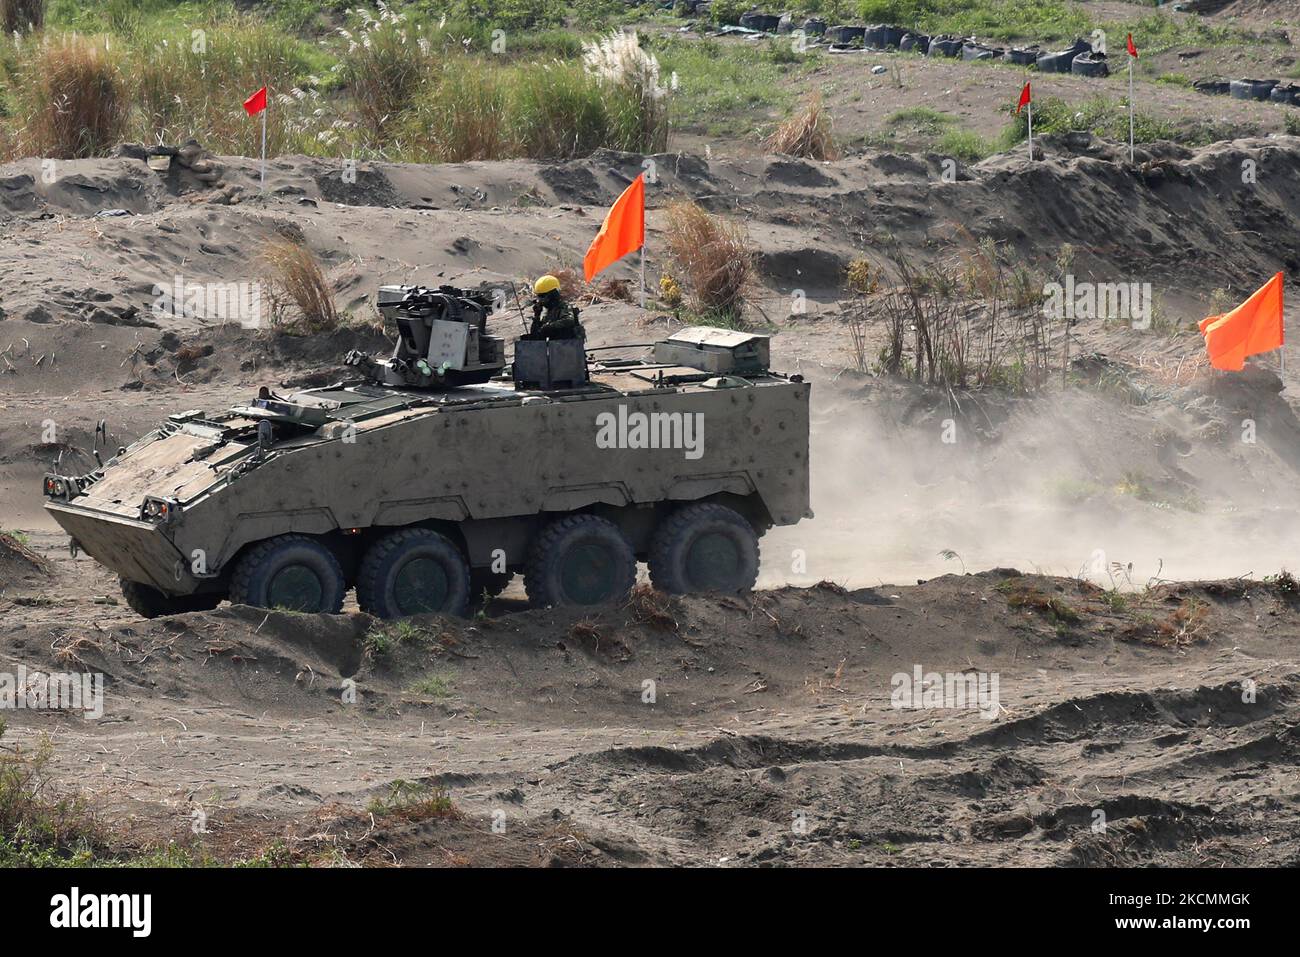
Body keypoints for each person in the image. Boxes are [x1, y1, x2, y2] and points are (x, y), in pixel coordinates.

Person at [529, 275, 584, 340]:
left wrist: (549, 327)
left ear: (552, 295)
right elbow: (536, 335)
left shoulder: (564, 306)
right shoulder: (548, 312)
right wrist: (537, 316)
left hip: (569, 345)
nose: (540, 300)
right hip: (555, 347)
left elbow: (569, 320)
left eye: (542, 296)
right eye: (539, 296)